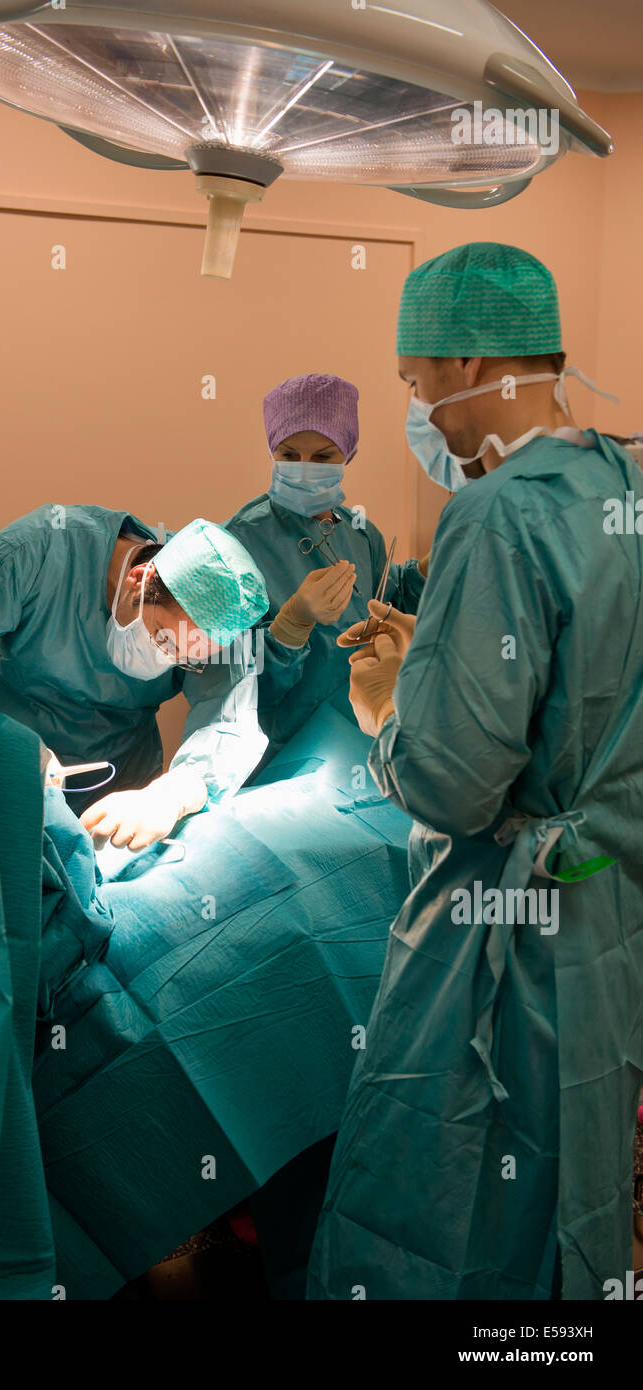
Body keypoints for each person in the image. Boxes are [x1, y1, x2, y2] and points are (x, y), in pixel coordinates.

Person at [309, 242, 643, 1301]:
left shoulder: (496, 513)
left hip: (505, 935)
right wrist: (447, 656)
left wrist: (391, 700)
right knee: (576, 1183)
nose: (425, 420)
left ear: (463, 365)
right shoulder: (622, 480)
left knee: (456, 1207)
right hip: (605, 917)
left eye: (415, 386)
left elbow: (453, 782)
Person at [0, 508, 269, 849]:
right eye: (162, 638)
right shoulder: (38, 550)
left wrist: (174, 793)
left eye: (185, 659)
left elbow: (231, 724)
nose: (166, 659)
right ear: (139, 579)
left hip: (116, 794)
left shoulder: (221, 613)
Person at [226, 373, 428, 767]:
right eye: (288, 454)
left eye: (322, 457)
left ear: (347, 455)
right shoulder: (241, 541)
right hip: (285, 749)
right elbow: (230, 681)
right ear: (272, 451)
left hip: (360, 735)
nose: (304, 468)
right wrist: (291, 626)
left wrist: (427, 569)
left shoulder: (361, 531)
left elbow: (386, 599)